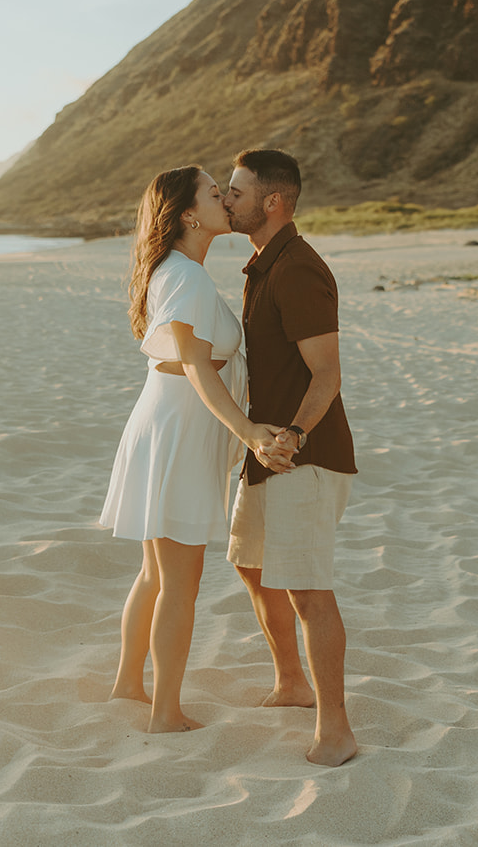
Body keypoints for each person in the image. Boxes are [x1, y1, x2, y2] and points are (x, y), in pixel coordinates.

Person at [100, 165, 292, 733]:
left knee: (155, 575)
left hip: (168, 424)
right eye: (214, 194)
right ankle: (165, 712)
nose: (226, 201)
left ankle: (128, 685)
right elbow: (197, 368)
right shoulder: (186, 277)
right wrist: (248, 430)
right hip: (178, 434)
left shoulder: (180, 271)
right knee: (178, 583)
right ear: (188, 215)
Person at [221, 148, 359, 766]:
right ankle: (292, 682)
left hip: (305, 453)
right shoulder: (262, 263)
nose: (227, 200)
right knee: (251, 566)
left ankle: (337, 728)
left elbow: (326, 374)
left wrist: (295, 436)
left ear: (272, 201)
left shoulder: (298, 268)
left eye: (236, 191)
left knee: (307, 590)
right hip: (267, 451)